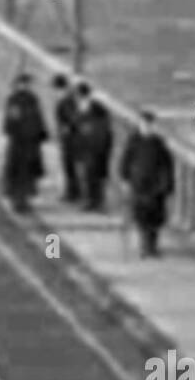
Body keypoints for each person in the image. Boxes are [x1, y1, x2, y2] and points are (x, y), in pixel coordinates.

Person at [118, 109, 174, 256]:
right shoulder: (133, 141)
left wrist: (168, 185)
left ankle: (152, 245)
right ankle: (145, 245)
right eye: (144, 124)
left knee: (155, 217)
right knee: (141, 216)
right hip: (138, 184)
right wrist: (124, 179)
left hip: (156, 186)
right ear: (140, 125)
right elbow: (125, 160)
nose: (147, 127)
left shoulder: (159, 143)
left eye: (149, 124)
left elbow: (167, 165)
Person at [1, 72, 48, 213]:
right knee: (19, 172)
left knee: (28, 172)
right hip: (20, 143)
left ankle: (24, 199)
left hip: (31, 143)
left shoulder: (32, 99)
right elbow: (12, 121)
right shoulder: (15, 100)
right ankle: (18, 200)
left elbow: (38, 118)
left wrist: (40, 133)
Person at [75, 86, 114, 212]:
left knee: (96, 176)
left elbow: (101, 131)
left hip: (96, 150)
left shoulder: (96, 111)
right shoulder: (84, 110)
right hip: (89, 149)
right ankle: (92, 201)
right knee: (88, 176)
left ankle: (97, 202)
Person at [51, 74, 82, 203]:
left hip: (70, 139)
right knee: (69, 166)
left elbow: (73, 118)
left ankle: (72, 193)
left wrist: (67, 127)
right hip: (68, 138)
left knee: (69, 166)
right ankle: (72, 192)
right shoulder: (69, 99)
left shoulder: (67, 101)